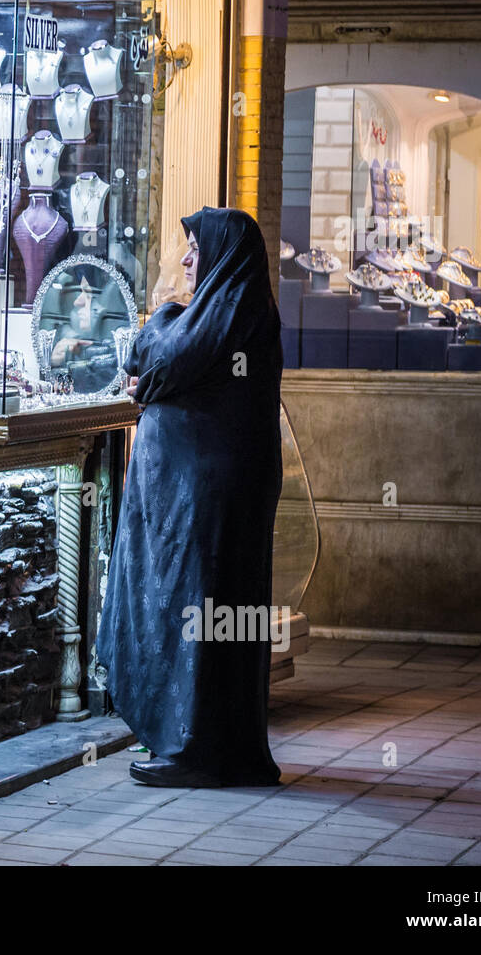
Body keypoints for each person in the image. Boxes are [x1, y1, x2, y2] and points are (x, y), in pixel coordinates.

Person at [97, 206, 283, 788]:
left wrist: (162, 324)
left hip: (210, 504)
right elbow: (152, 366)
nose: (185, 260)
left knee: (204, 614)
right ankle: (211, 748)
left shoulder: (231, 316)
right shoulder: (222, 313)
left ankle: (197, 749)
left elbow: (157, 361)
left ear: (223, 257)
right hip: (205, 500)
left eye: (195, 250)